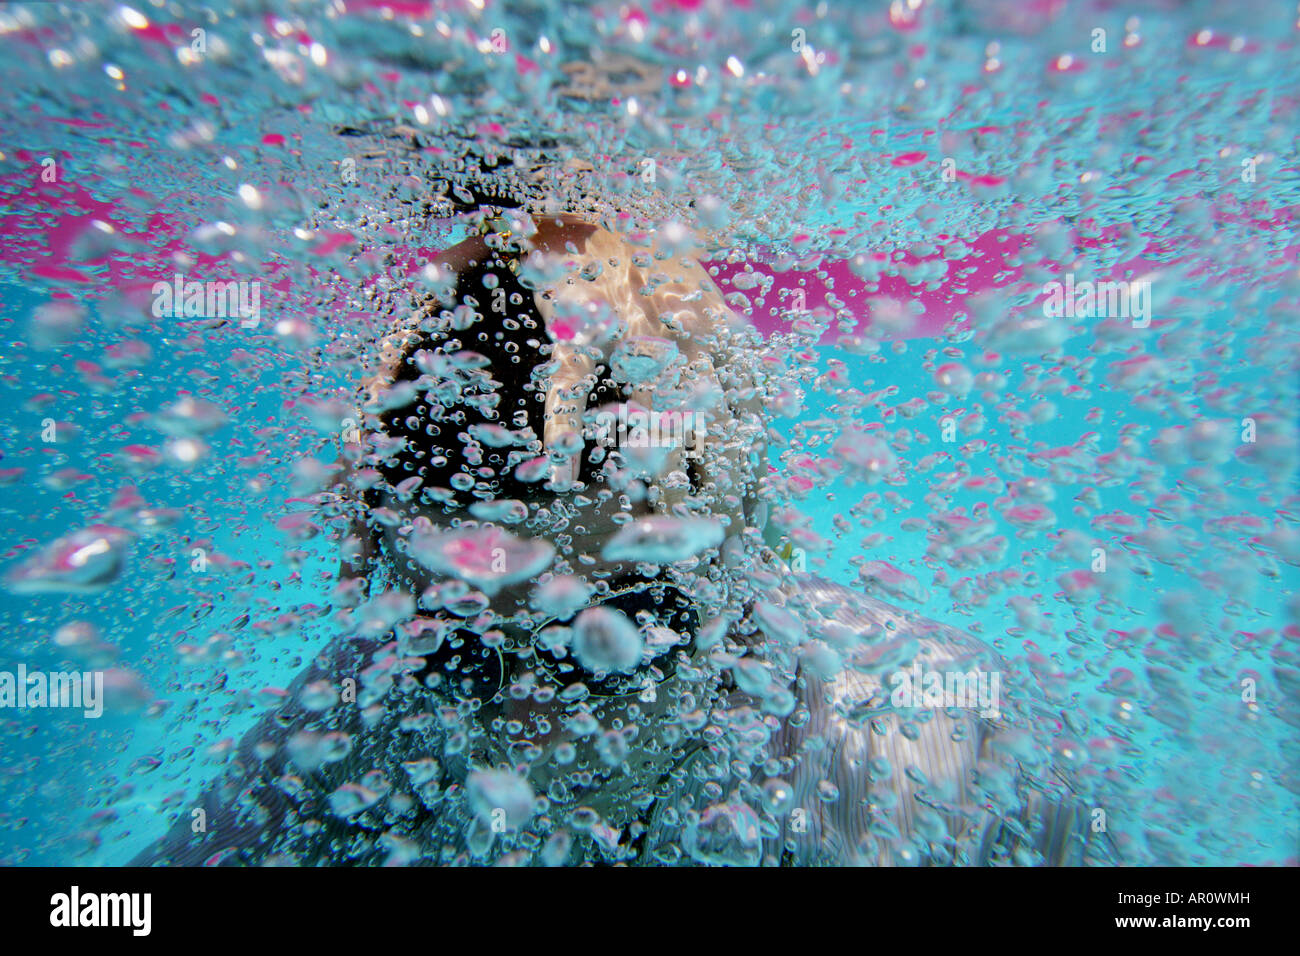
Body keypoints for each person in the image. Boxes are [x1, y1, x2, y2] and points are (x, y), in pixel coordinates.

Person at [132, 142, 1110, 866]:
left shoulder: (924, 733)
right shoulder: (345, 735)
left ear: (743, 560)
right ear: (387, 589)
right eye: (455, 647)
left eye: (620, 634)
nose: (532, 722)